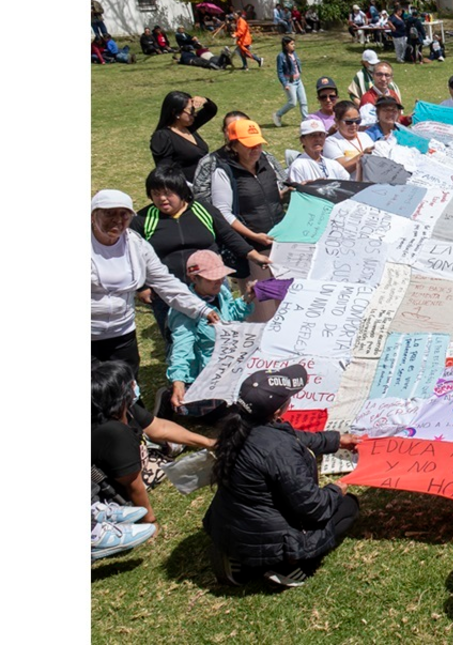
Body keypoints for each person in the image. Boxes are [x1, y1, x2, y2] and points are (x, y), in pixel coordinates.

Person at [204, 365, 363, 588]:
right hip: (269, 537)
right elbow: (312, 506)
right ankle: (285, 567)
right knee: (348, 506)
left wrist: (336, 440)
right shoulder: (278, 449)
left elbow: (297, 438)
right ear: (279, 411)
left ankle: (236, 556)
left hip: (229, 526)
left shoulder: (239, 426)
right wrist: (335, 491)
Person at [132, 165, 268, 345]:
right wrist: (142, 287)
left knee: (221, 334)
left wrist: (254, 256)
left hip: (212, 286)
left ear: (181, 191)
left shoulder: (203, 210)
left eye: (168, 193)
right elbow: (132, 256)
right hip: (170, 292)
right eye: (156, 194)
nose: (162, 199)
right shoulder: (142, 219)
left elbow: (229, 236)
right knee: (180, 339)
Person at [92, 190, 219, 375]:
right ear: (92, 215)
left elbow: (164, 282)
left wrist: (202, 309)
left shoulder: (136, 244)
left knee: (127, 391)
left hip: (122, 333)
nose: (118, 220)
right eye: (109, 213)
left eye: (124, 214)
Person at [93, 360, 217, 527]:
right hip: (116, 488)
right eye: (131, 383)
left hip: (132, 464)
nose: (135, 385)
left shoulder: (120, 406)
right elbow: (133, 485)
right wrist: (150, 522)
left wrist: (209, 442)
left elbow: (160, 427)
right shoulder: (113, 432)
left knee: (170, 446)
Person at [211, 119, 286, 318]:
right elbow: (223, 213)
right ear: (234, 145)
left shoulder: (266, 163)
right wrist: (254, 235)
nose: (255, 149)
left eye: (258, 143)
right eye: (249, 144)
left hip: (280, 246)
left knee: (284, 303)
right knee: (263, 309)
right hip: (252, 251)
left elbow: (273, 198)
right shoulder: (224, 172)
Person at [167, 250, 256, 414]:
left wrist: (246, 299)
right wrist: (178, 381)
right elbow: (182, 346)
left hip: (231, 361)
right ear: (194, 279)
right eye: (212, 279)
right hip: (205, 372)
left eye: (221, 277)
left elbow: (230, 316)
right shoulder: (183, 309)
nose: (219, 281)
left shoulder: (221, 292)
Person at [193, 111, 287, 206]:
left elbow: (284, 183)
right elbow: (201, 197)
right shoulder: (210, 162)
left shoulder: (266, 157)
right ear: (225, 132)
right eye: (230, 129)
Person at [150, 91, 218, 182]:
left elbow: (211, 110)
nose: (194, 114)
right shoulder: (162, 137)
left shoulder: (189, 126)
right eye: (191, 110)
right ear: (176, 113)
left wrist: (204, 100)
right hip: (186, 190)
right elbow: (165, 172)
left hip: (205, 186)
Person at [324, 101, 375, 179]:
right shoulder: (331, 142)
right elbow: (341, 169)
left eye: (357, 121)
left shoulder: (365, 136)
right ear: (337, 121)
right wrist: (362, 156)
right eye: (349, 122)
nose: (354, 125)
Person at [272, 37, 307, 127]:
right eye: (291, 44)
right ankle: (278, 114)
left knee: (303, 101)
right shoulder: (281, 56)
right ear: (285, 45)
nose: (293, 46)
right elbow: (280, 72)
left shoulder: (294, 53)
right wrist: (285, 84)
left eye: (293, 44)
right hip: (289, 82)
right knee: (292, 102)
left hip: (298, 80)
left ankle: (305, 120)